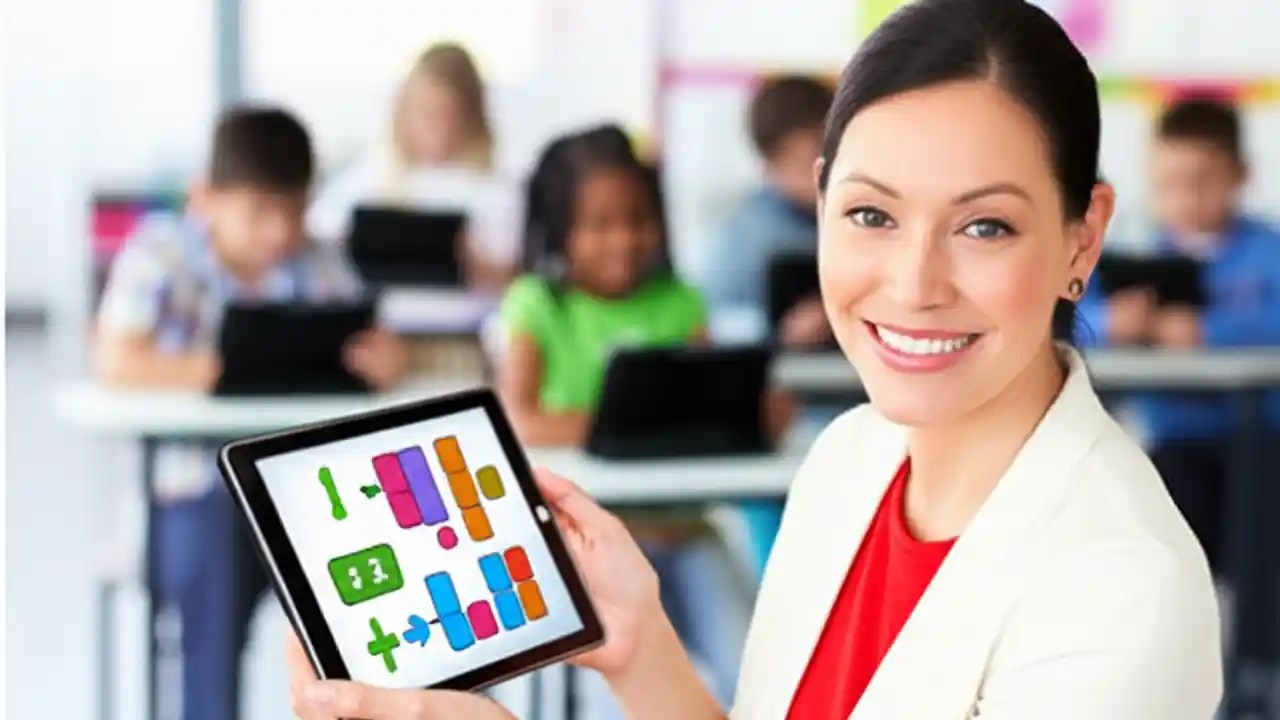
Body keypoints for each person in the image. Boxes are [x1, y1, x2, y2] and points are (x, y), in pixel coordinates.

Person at [285, 1, 1222, 718]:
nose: (914, 282)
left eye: (984, 225)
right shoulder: (851, 457)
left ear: (1081, 237)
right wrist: (640, 642)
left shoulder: (1120, 589)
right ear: (818, 204)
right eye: (870, 214)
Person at [96, 107, 408, 720]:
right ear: (205, 197)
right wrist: (224, 372)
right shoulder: (160, 255)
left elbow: (372, 343)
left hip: (303, 499)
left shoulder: (321, 262)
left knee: (389, 555)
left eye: (294, 211)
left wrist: (386, 358)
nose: (280, 232)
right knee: (217, 554)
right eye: (260, 213)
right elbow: (115, 357)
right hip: (190, 499)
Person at [1077, 99, 1280, 571]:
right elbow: (1067, 320)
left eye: (1202, 182)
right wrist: (1113, 322)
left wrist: (1207, 331)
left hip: (1259, 443)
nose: (1186, 198)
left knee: (1258, 564)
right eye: (1168, 184)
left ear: (1240, 175)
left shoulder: (1267, 251)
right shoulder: (1134, 253)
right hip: (1175, 443)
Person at [307, 42, 520, 289]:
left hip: (467, 317)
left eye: (448, 116)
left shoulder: (499, 188)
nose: (438, 131)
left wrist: (473, 262)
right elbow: (319, 236)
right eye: (426, 114)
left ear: (472, 115)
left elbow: (518, 277)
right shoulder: (370, 173)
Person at [701, 76, 834, 348]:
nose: (826, 172)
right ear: (770, 163)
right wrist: (778, 329)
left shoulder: (859, 218)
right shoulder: (744, 236)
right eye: (809, 160)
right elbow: (718, 322)